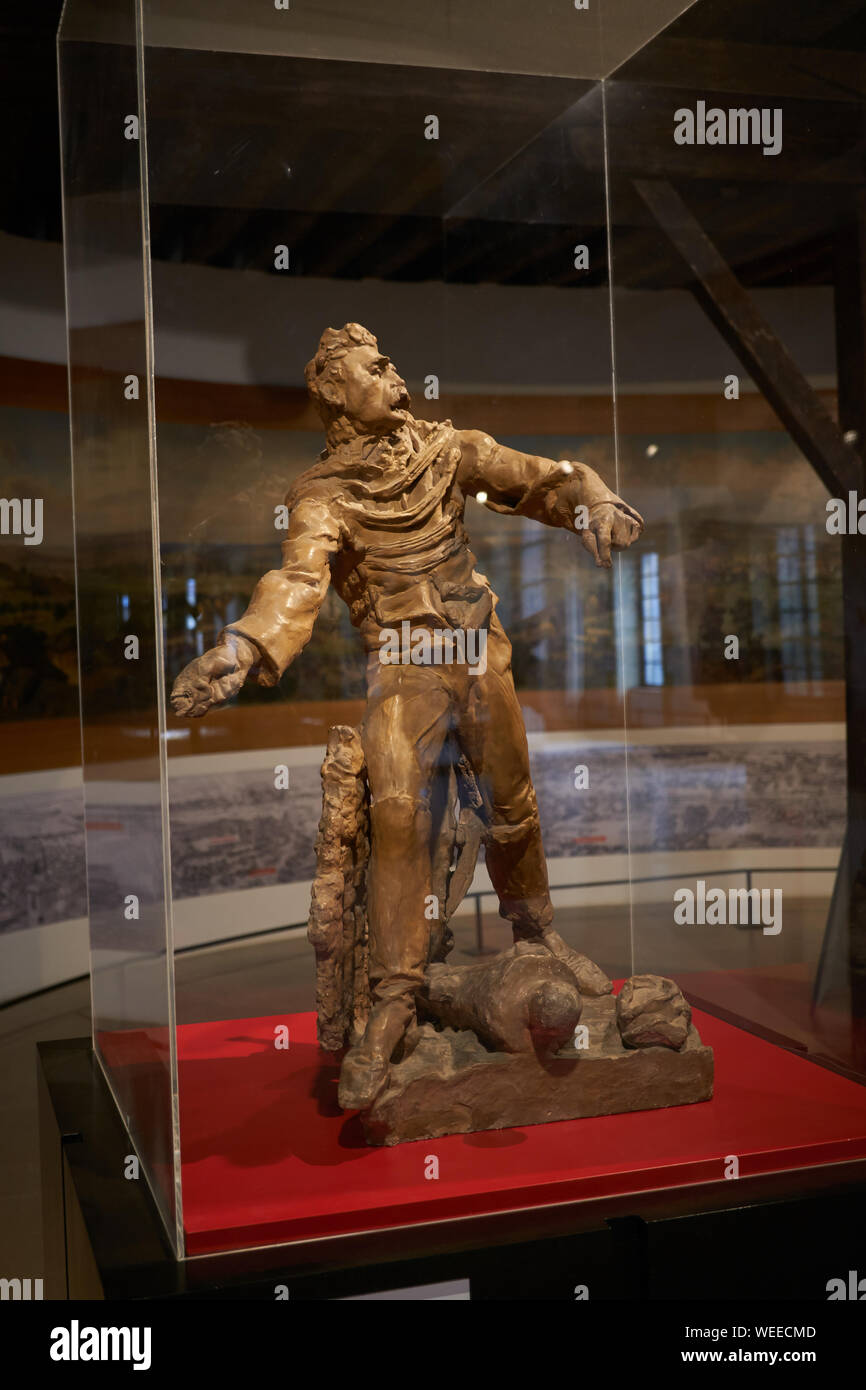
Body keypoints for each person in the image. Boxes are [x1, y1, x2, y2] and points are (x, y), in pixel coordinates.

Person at [171, 322, 644, 1107]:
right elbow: (297, 581)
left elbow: (534, 478)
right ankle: (394, 999)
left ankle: (536, 935)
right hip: (403, 665)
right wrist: (243, 646)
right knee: (397, 818)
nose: (393, 370)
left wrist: (590, 495)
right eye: (373, 364)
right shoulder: (321, 496)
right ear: (332, 390)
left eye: (389, 359)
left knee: (513, 802)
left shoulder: (447, 449)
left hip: (475, 651)